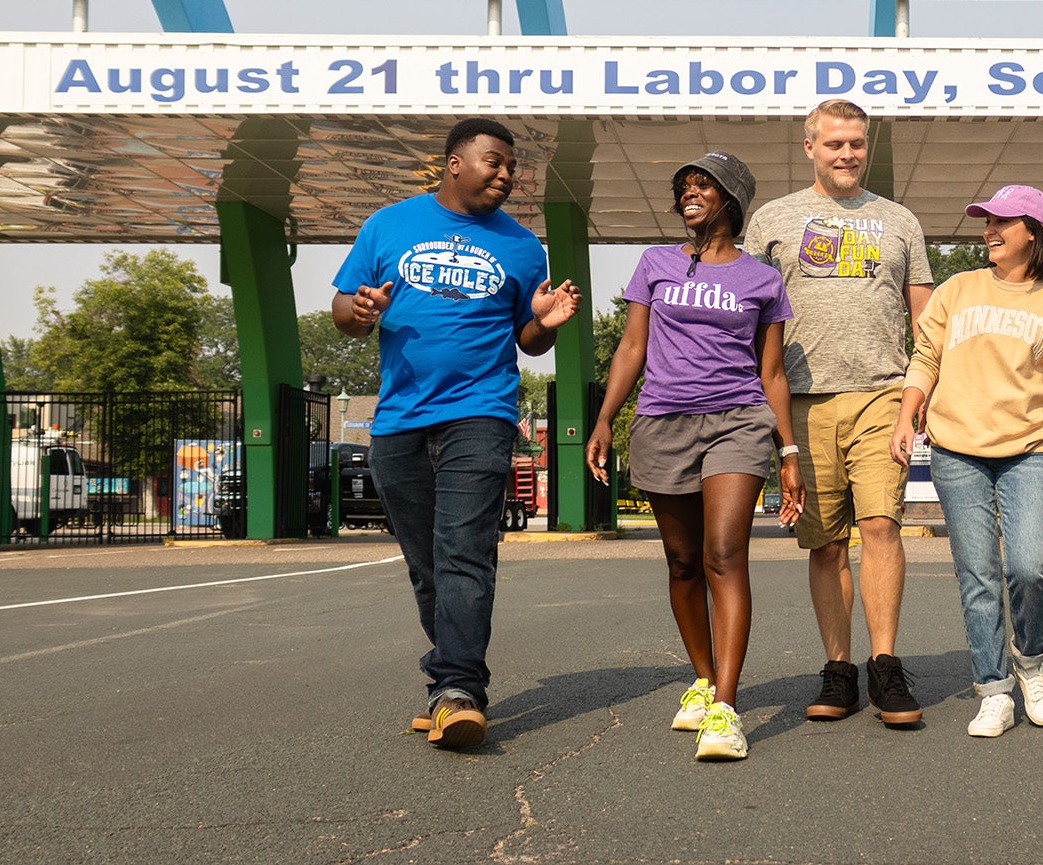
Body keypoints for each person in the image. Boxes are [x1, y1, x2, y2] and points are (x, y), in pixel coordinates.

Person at [332, 117, 582, 751]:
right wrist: (359, 310)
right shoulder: (388, 225)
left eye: (511, 167)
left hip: (482, 412)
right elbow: (344, 312)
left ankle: (458, 690)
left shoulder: (525, 247)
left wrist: (547, 322)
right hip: (400, 420)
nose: (505, 175)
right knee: (426, 564)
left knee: (466, 550)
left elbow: (528, 338)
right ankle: (446, 680)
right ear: (454, 163)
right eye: (493, 162)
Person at [586, 151, 804, 762]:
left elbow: (772, 372)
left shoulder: (762, 278)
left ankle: (727, 710)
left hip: (737, 421)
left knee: (723, 553)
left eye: (702, 186)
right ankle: (704, 681)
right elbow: (633, 346)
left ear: (730, 200)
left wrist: (788, 452)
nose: (689, 194)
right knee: (682, 562)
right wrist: (606, 418)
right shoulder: (655, 264)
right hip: (662, 420)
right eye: (684, 186)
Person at [744, 99, 933, 726]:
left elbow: (926, 319)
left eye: (856, 143)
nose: (847, 154)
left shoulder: (900, 220)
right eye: (834, 144)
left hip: (882, 392)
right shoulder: (772, 220)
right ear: (809, 148)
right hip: (800, 401)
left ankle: (885, 666)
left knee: (881, 527)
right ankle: (839, 668)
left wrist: (925, 393)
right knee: (824, 544)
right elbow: (747, 318)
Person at [892, 185, 1043, 737]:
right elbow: (925, 356)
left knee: (1030, 565)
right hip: (957, 448)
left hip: (1030, 447)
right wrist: (906, 416)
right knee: (977, 573)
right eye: (986, 221)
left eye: (1002, 221)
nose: (989, 231)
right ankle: (994, 688)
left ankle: (1030, 661)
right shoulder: (957, 289)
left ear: (1034, 231)